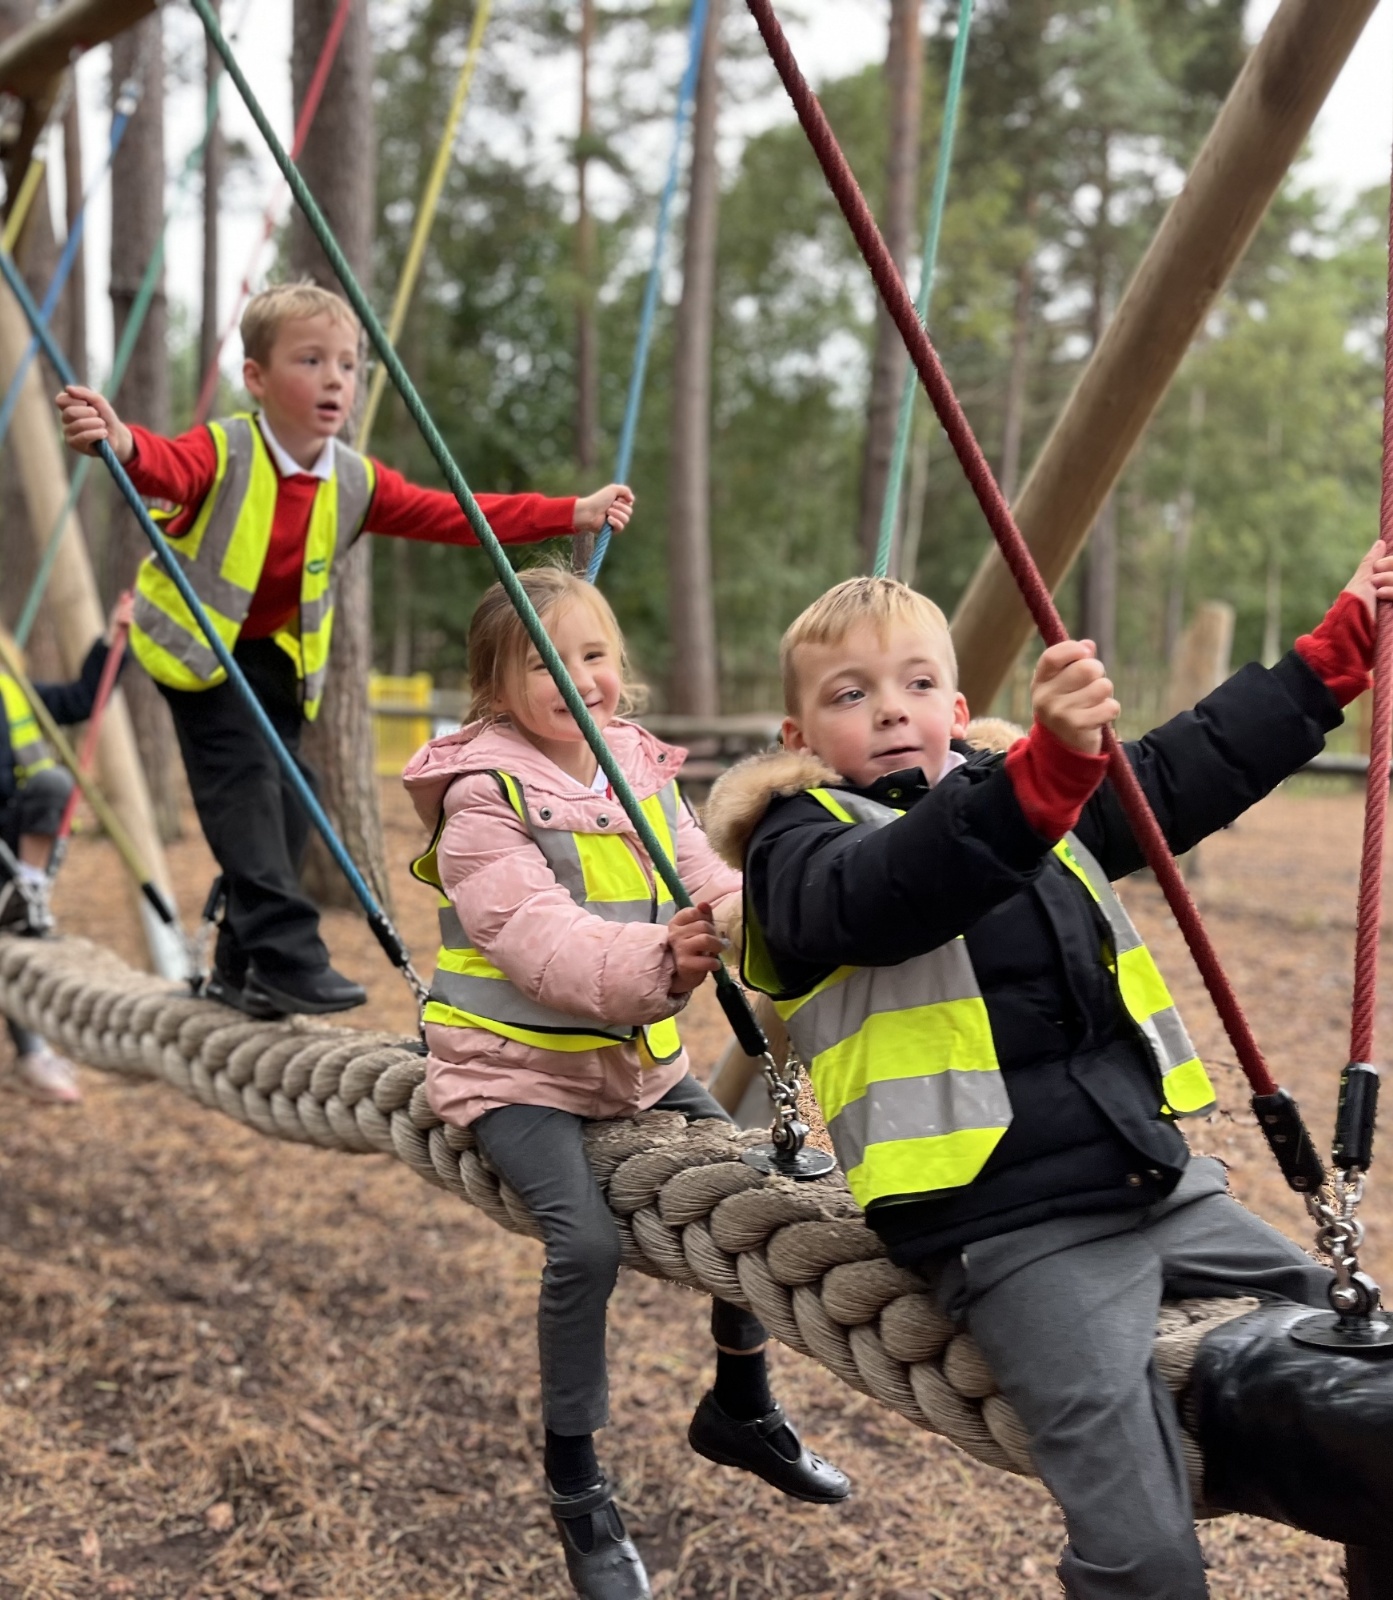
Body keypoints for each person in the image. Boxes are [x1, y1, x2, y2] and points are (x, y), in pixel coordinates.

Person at [703, 554, 1393, 1600]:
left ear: (957, 708)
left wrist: (1336, 651)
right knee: (1144, 1550)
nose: (889, 709)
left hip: (1155, 1184)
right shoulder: (794, 854)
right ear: (797, 740)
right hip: (1008, 1229)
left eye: (916, 683)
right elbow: (890, 891)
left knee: (1373, 1398)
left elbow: (1183, 771)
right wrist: (1039, 781)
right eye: (850, 694)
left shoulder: (1024, 792)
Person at [402, 565, 849, 1600]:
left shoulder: (637, 768)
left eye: (593, 653)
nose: (578, 677)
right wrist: (659, 960)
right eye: (544, 661)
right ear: (495, 685)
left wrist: (772, 917)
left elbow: (705, 874)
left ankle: (740, 1403)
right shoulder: (482, 799)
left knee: (747, 1190)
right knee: (586, 1242)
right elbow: (537, 938)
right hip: (511, 1069)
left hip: (634, 1066)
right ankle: (577, 1486)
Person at [54, 281, 636, 1021]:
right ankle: (287, 955)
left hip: (273, 656)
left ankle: (240, 966)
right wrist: (120, 440)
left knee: (292, 799)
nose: (335, 379)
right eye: (310, 360)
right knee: (243, 789)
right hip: (196, 649)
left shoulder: (353, 481)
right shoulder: (226, 449)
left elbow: (455, 513)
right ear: (257, 377)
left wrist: (571, 511)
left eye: (349, 364)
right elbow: (162, 465)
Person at [1, 595, 133, 1103]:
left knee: (54, 783)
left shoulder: (15, 694)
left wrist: (113, 641)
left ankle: (28, 894)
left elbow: (81, 699)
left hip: (13, 848)